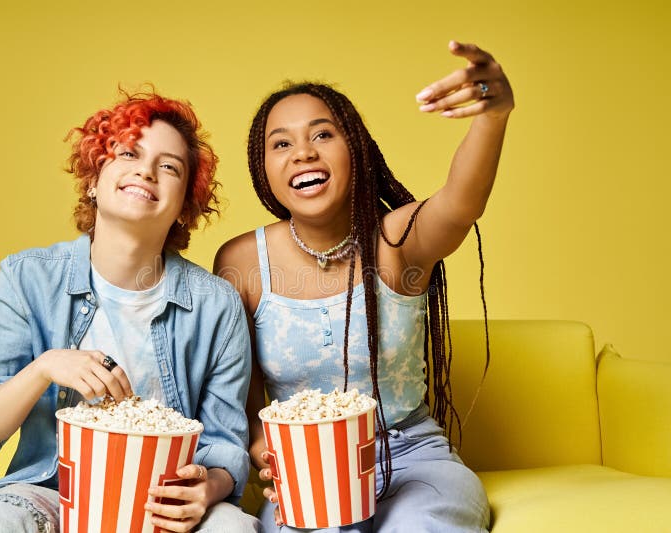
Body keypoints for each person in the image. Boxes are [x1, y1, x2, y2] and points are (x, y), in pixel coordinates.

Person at [214, 41, 514, 532]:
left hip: (412, 459)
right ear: (263, 169)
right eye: (281, 143)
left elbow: (461, 202)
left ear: (356, 150)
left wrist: (492, 116)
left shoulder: (398, 240)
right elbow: (243, 404)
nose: (303, 152)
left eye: (323, 134)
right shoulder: (242, 261)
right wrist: (262, 446)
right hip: (307, 470)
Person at [0, 89, 262, 533]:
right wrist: (45, 367)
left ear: (184, 207)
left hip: (165, 499)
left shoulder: (217, 304)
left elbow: (224, 442)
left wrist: (208, 489)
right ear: (94, 180)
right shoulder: (27, 279)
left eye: (170, 166)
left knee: (234, 528)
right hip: (52, 493)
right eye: (129, 153)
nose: (147, 170)